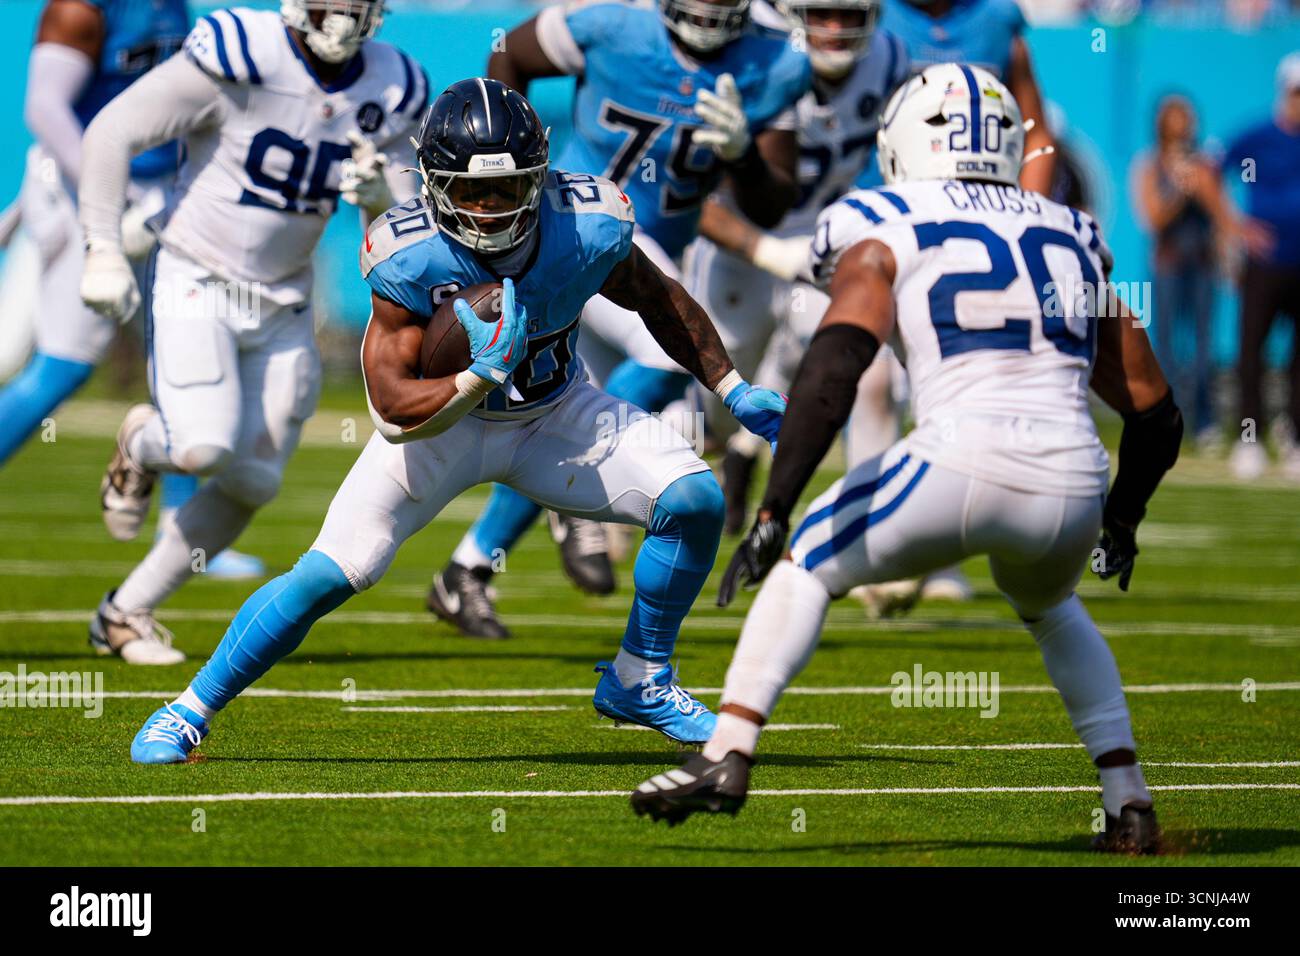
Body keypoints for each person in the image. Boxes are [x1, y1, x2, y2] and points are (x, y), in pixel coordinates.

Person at [126, 78, 787, 762]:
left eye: (505, 190)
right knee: (335, 570)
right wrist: (473, 376)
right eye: (469, 191)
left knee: (694, 498)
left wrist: (732, 387)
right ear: (431, 181)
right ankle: (189, 707)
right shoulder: (408, 252)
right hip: (443, 427)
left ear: (539, 177)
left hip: (554, 411)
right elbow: (388, 404)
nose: (488, 208)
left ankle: (640, 678)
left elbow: (660, 298)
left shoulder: (587, 221)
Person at [631, 64, 1182, 856]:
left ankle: (726, 754)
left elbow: (833, 367)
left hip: (959, 458)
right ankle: (1128, 799)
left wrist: (773, 509)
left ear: (903, 144)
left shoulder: (883, 217)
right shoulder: (1070, 232)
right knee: (1052, 607)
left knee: (806, 562)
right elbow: (1155, 410)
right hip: (1073, 478)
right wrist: (1120, 520)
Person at [424, 0, 810, 641]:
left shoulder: (777, 58)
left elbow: (771, 201)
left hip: (647, 263)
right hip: (572, 235)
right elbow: (512, 57)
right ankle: (546, 516)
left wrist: (741, 154)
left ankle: (465, 572)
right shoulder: (613, 24)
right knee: (660, 359)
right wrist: (518, 171)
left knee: (560, 411)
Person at [78, 0, 427, 664]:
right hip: (197, 274)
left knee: (256, 480)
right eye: (332, 3)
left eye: (358, 6)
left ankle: (125, 613)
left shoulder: (395, 84)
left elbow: (403, 222)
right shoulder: (243, 49)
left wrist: (382, 197)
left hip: (285, 298)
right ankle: (142, 441)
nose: (343, 19)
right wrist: (100, 246)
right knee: (202, 447)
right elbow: (112, 129)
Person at [687, 0, 909, 537]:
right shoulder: (749, 51)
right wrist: (767, 252)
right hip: (739, 248)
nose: (834, 28)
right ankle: (736, 448)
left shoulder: (890, 58)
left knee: (869, 369)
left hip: (825, 242)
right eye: (821, 13)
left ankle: (875, 539)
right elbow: (685, 190)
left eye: (847, 15)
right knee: (713, 408)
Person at [1220, 52, 1300, 481]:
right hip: (1266, 264)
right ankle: (1248, 437)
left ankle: (1295, 437)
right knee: (1252, 351)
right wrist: (1234, 225)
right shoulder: (1259, 136)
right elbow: (1210, 169)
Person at [1131, 95, 1223, 448]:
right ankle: (1169, 420)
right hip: (1169, 265)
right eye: (1175, 115)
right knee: (1167, 348)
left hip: (1202, 265)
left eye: (1187, 115)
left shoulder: (1204, 163)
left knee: (1203, 347)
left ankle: (1205, 419)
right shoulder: (1149, 165)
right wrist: (1182, 193)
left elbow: (1219, 215)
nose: (1183, 123)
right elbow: (1153, 218)